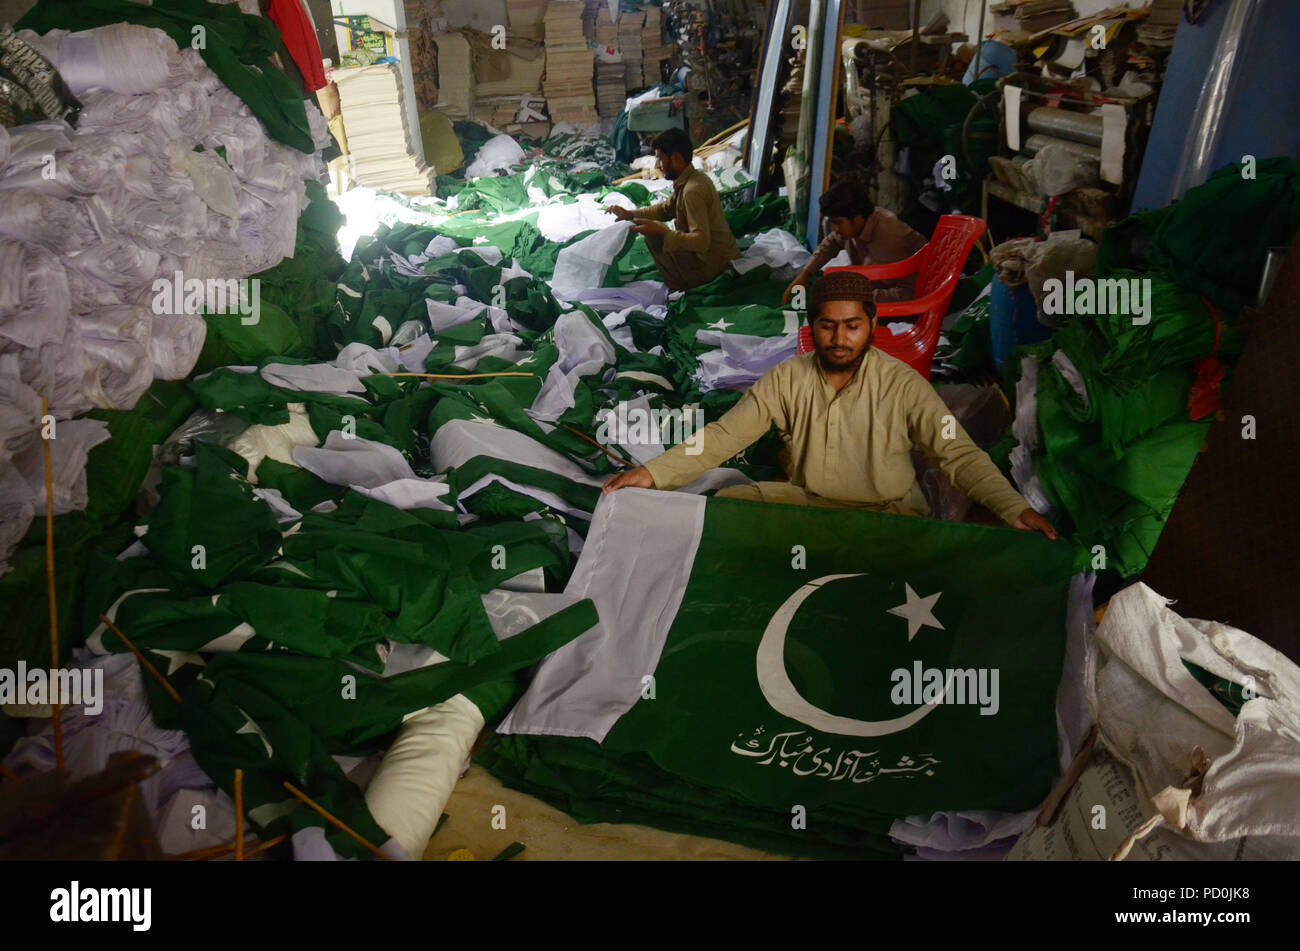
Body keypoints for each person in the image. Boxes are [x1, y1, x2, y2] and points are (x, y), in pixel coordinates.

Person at [604, 270, 1058, 539]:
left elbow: (956, 453)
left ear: (872, 325)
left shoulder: (903, 385)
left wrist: (1012, 508)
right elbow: (725, 437)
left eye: (853, 326)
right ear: (813, 326)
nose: (840, 339)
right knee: (729, 504)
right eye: (827, 326)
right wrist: (653, 474)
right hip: (812, 504)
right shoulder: (787, 379)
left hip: (890, 518)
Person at [603, 127, 740, 292]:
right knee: (656, 234)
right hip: (718, 255)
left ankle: (684, 287)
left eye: (660, 159)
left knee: (654, 239)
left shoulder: (692, 191)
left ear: (675, 158)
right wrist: (630, 214)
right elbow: (665, 210)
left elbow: (701, 242)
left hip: (715, 264)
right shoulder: (690, 179)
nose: (658, 166)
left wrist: (662, 232)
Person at [782, 179, 928, 305]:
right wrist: (804, 275)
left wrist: (855, 297)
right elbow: (830, 243)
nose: (834, 228)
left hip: (915, 296)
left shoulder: (887, 234)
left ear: (858, 218)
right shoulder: (855, 226)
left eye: (837, 222)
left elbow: (909, 293)